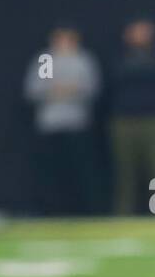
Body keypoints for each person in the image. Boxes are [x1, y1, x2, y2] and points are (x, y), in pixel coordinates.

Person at [23, 25, 102, 214]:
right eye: (61, 38)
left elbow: (91, 89)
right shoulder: (47, 60)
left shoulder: (83, 60)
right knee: (51, 172)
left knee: (79, 171)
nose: (64, 42)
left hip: (76, 124)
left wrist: (65, 90)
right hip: (51, 125)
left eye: (69, 38)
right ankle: (50, 210)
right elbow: (36, 90)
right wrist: (62, 90)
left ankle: (83, 211)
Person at [109, 18, 155, 215]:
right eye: (137, 31)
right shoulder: (117, 58)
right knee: (125, 173)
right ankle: (123, 214)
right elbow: (116, 77)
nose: (141, 36)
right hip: (124, 121)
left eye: (145, 32)